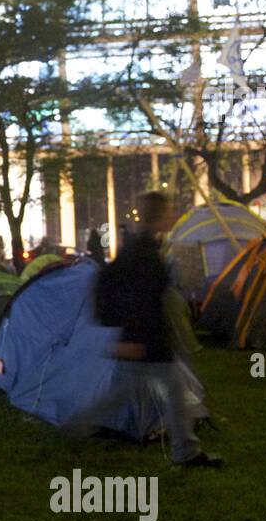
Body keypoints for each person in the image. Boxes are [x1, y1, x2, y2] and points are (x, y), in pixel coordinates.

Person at [63, 192, 223, 469]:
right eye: (168, 211)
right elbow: (128, 294)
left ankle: (78, 424)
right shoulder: (141, 252)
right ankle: (185, 452)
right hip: (143, 341)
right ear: (157, 216)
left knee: (131, 392)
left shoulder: (145, 246)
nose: (172, 216)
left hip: (146, 338)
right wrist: (129, 337)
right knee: (168, 392)